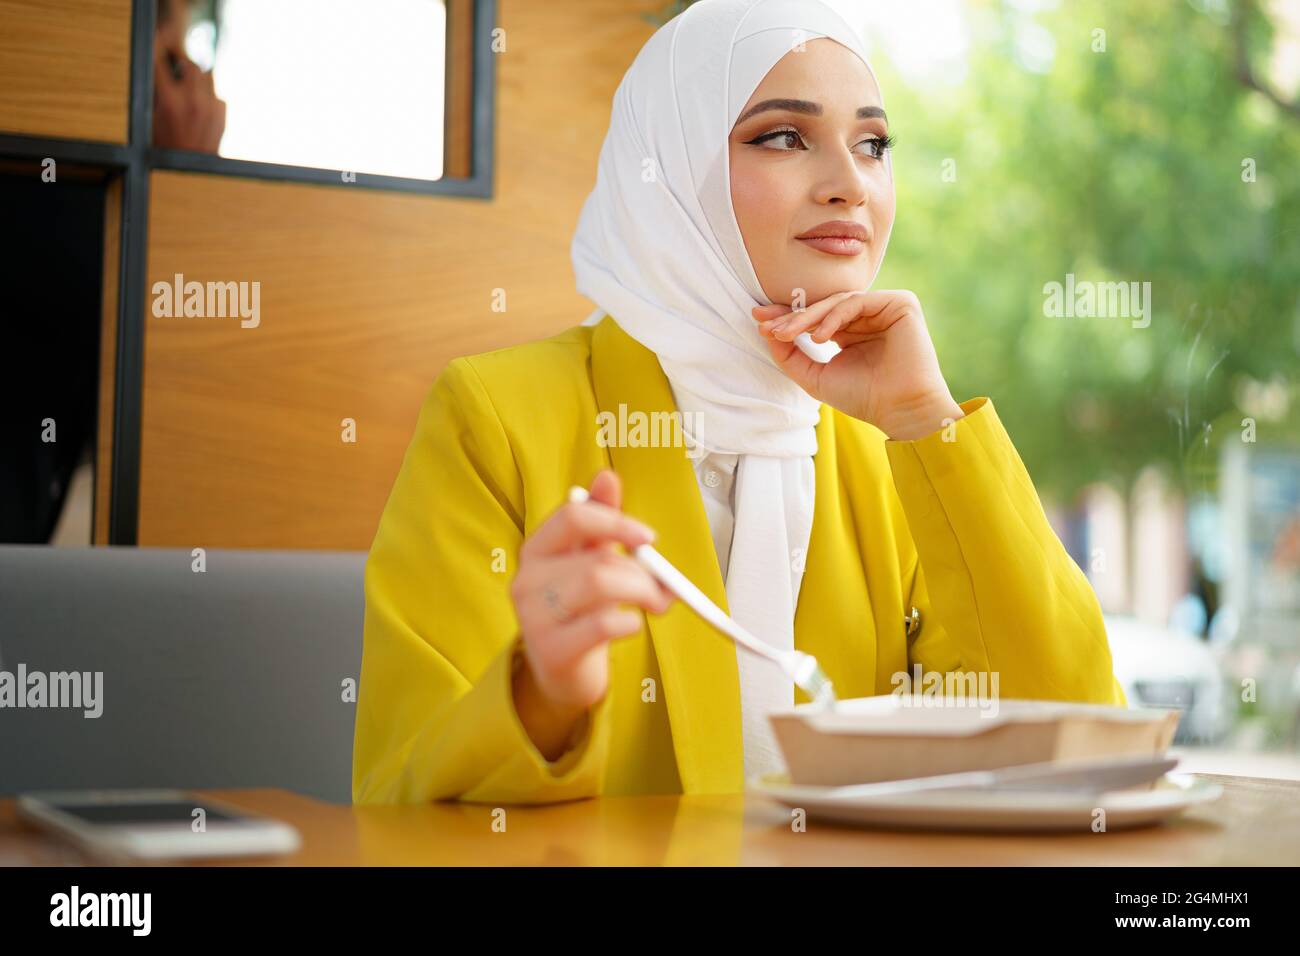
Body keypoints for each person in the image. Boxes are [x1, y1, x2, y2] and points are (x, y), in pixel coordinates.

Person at [352, 0, 1127, 805]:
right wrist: (541, 692)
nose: (850, 185)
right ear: (671, 169)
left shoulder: (890, 449)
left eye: (873, 144)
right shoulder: (498, 417)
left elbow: (1072, 739)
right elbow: (399, 804)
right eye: (784, 136)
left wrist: (927, 422)